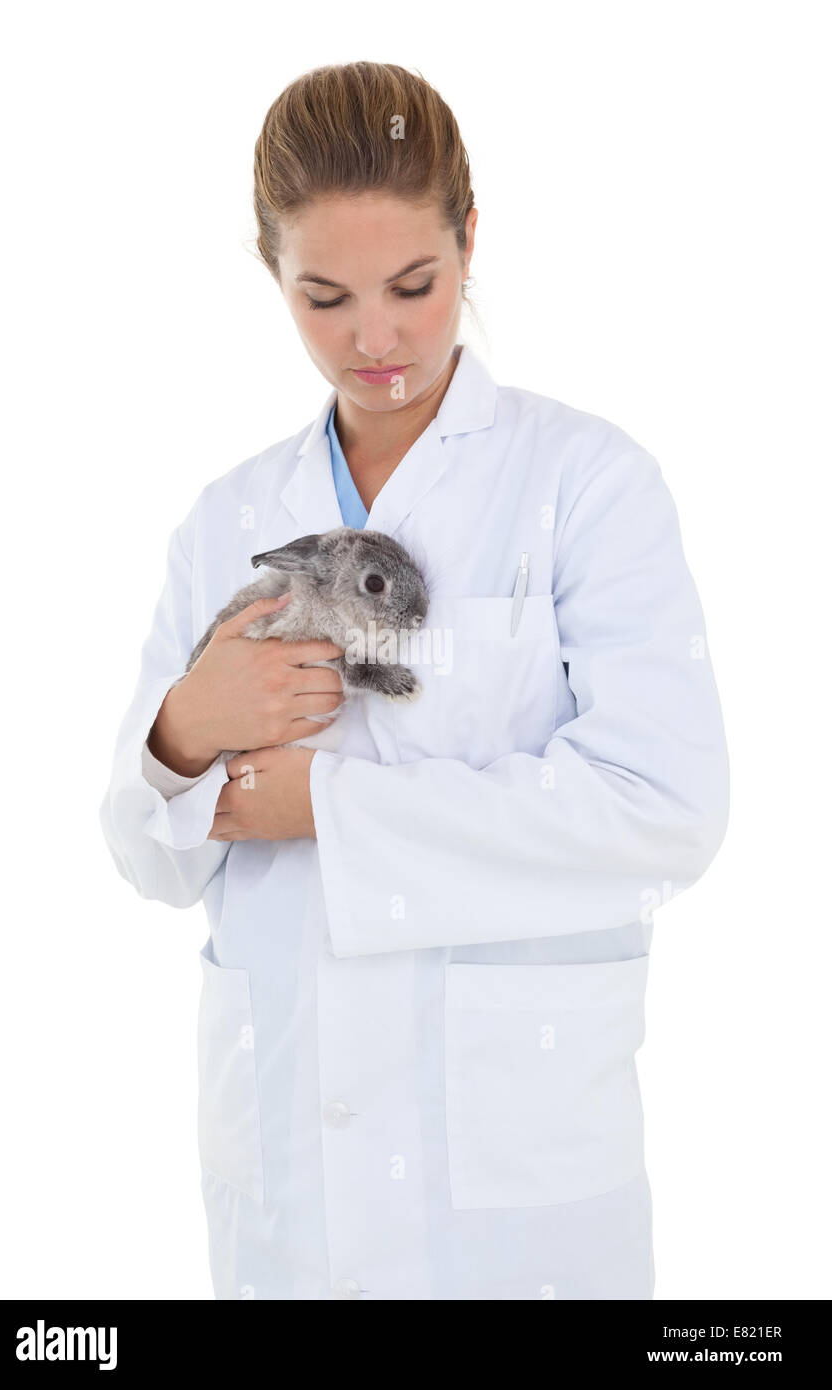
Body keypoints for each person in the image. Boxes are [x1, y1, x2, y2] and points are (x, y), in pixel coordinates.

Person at [99, 60, 729, 1301]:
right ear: (270, 272)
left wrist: (323, 808)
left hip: (518, 1194)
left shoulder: (586, 484)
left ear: (470, 240)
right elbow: (144, 856)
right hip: (287, 1178)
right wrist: (183, 731)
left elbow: (667, 807)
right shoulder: (228, 517)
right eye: (322, 295)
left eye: (413, 286)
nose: (374, 339)